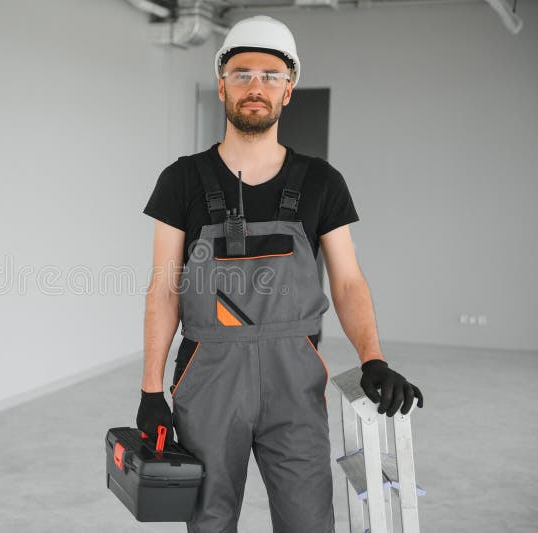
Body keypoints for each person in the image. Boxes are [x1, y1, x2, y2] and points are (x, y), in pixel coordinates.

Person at [136, 14, 424, 533]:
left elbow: (349, 281)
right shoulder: (181, 180)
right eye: (242, 73)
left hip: (294, 377)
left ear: (289, 89)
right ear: (222, 83)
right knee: (208, 520)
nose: (256, 86)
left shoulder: (321, 182)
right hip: (208, 374)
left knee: (309, 521)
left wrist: (373, 359)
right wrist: (151, 391)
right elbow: (163, 288)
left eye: (271, 75)